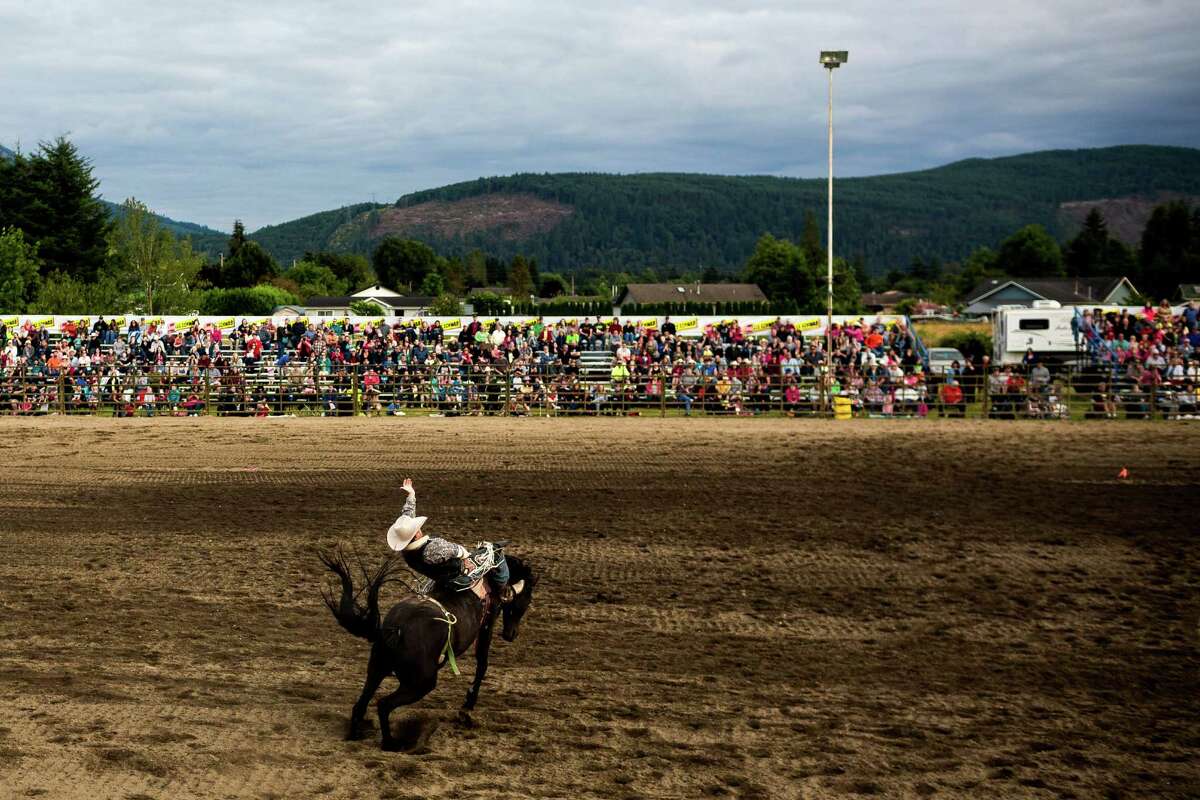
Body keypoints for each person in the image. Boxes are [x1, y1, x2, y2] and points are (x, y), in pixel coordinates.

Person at [387, 478, 509, 600]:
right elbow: (457, 550)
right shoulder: (432, 548)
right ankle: (502, 589)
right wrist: (467, 557)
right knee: (495, 551)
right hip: (459, 577)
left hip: (439, 577)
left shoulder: (406, 550)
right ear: (416, 535)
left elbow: (407, 516)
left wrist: (411, 495)